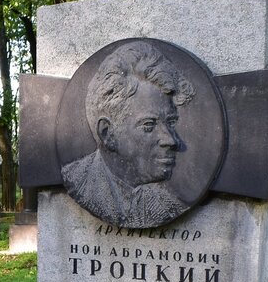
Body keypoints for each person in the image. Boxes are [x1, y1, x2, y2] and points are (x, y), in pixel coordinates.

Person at [61, 42, 195, 228]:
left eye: (170, 123)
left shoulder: (167, 205)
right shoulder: (79, 182)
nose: (171, 140)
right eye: (149, 125)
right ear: (107, 134)